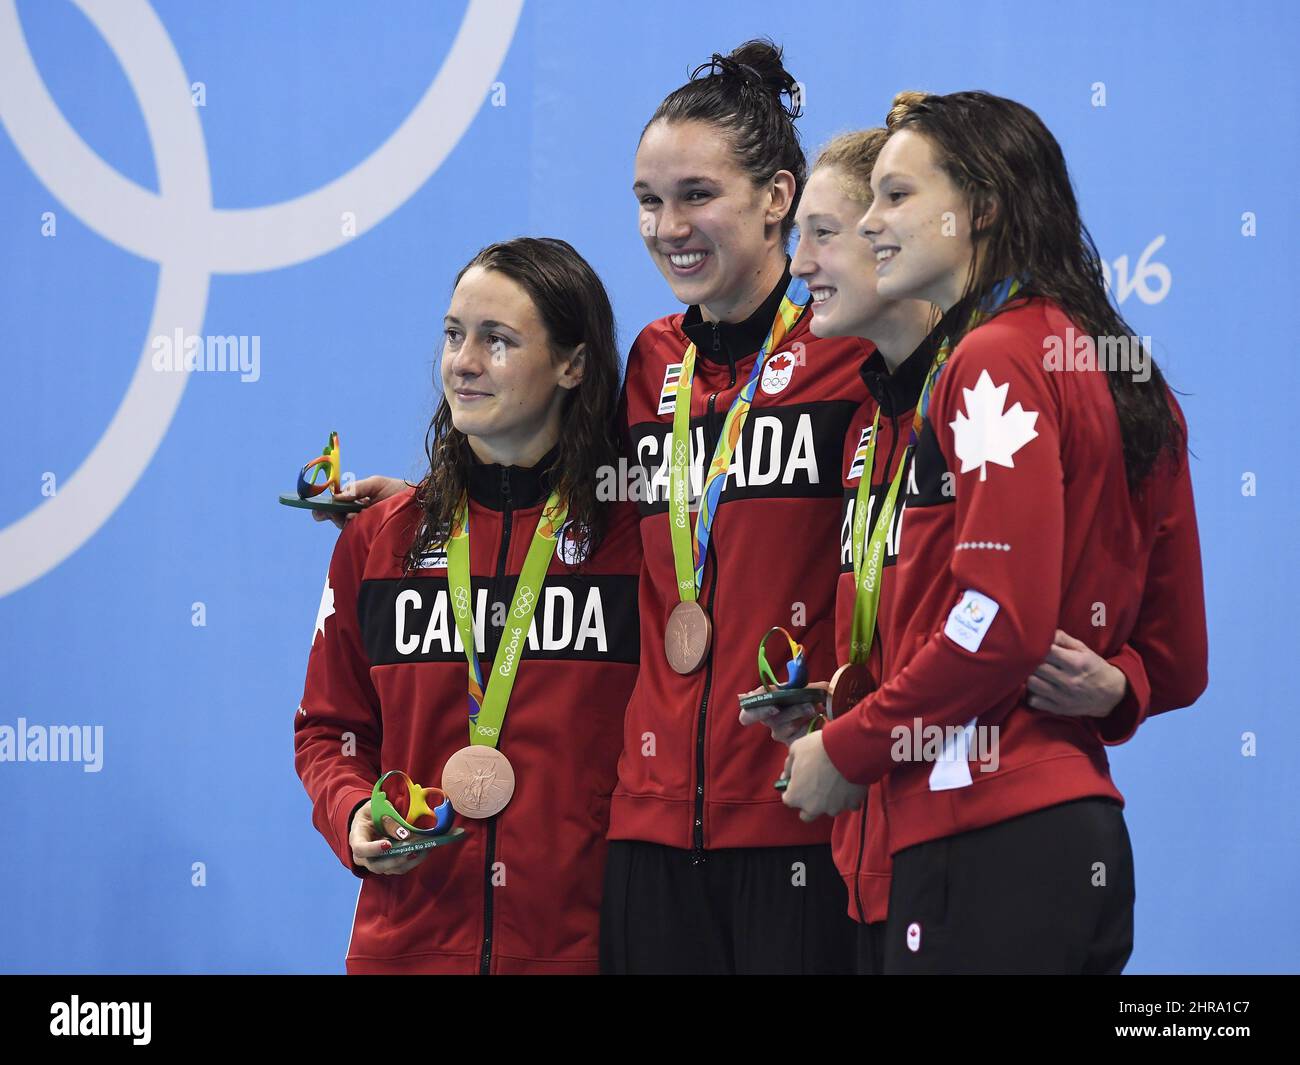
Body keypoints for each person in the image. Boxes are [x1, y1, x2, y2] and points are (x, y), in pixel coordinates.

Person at [746, 126, 1207, 974]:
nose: (802, 260)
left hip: (977, 829)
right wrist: (1121, 684)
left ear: (980, 209)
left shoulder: (990, 361)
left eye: (891, 200)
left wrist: (850, 748)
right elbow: (1173, 660)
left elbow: (998, 621)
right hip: (1027, 834)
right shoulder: (1115, 370)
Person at [294, 237, 642, 974]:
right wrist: (354, 809)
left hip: (581, 950)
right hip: (406, 949)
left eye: (498, 340)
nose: (464, 362)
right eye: (454, 334)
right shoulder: (380, 542)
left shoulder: (634, 544)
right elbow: (330, 727)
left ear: (573, 365)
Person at [599, 39, 871, 975]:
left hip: (802, 818)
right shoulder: (645, 362)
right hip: (645, 832)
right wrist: (420, 505)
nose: (667, 225)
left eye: (696, 195)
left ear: (778, 198)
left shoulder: (850, 352)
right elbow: (557, 500)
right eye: (647, 199)